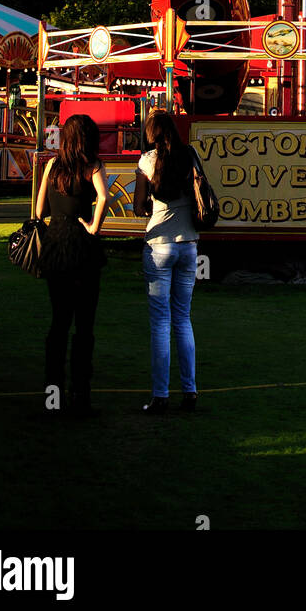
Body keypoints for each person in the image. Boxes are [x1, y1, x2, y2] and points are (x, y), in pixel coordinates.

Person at [36, 114, 109, 416]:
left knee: (59, 324)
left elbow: (39, 210)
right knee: (84, 327)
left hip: (56, 243)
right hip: (82, 245)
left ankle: (52, 396)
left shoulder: (53, 166)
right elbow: (103, 197)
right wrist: (94, 226)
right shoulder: (93, 166)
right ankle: (81, 396)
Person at [133, 111, 200, 414]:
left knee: (160, 323)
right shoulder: (189, 155)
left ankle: (160, 394)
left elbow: (138, 206)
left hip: (159, 243)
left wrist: (150, 203)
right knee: (183, 318)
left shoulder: (147, 160)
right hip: (188, 243)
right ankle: (190, 390)